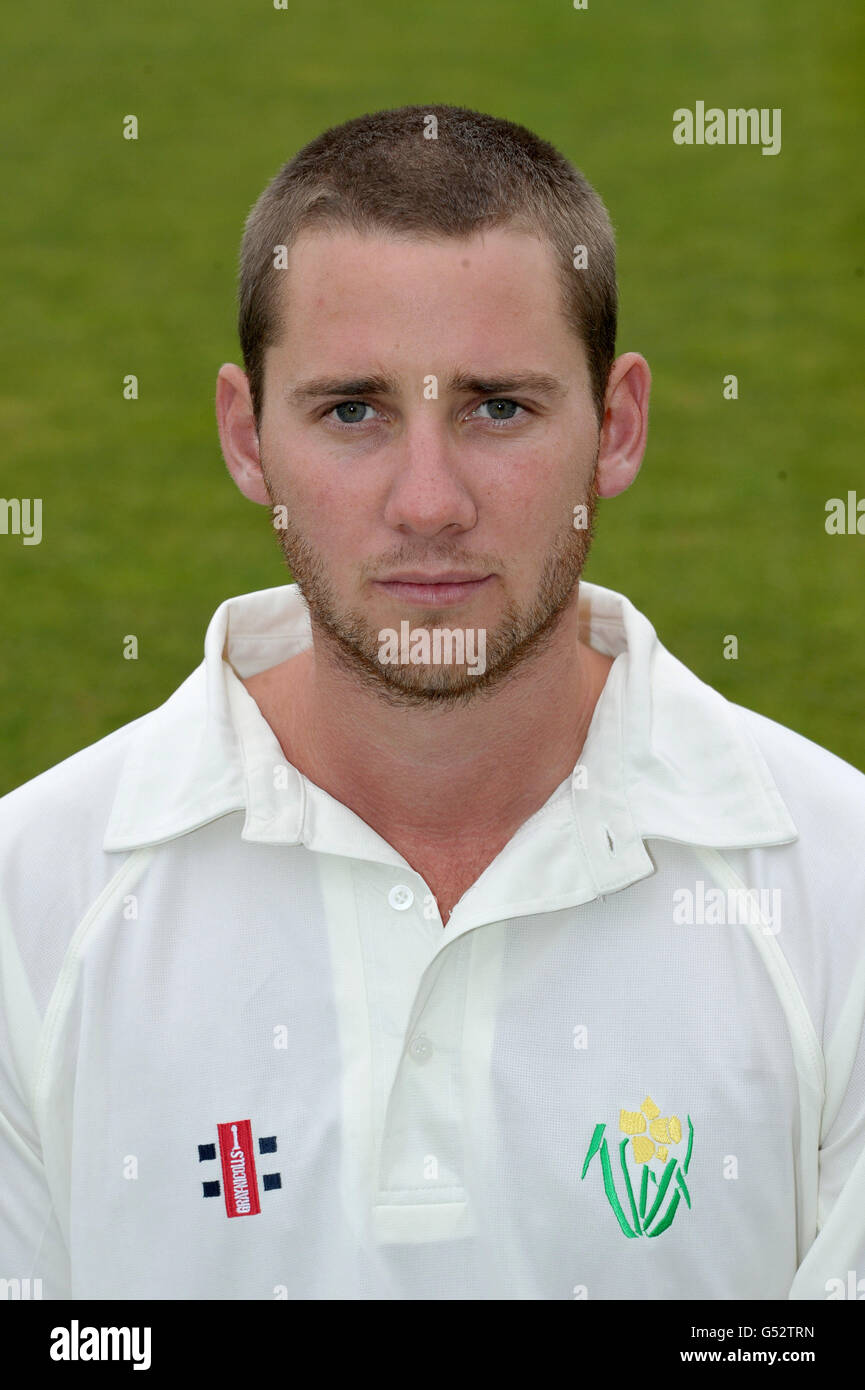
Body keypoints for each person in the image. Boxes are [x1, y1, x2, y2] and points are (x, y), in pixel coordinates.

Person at [1, 103, 863, 1302]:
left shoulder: (840, 893)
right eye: (352, 409)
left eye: (495, 407)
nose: (427, 502)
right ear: (247, 440)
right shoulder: (30, 903)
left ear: (615, 428)